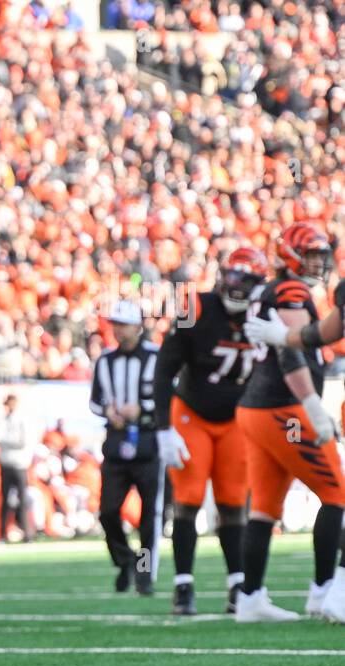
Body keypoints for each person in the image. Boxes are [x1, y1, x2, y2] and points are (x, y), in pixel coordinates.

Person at [236, 223, 345, 622]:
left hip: (257, 408)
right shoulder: (290, 290)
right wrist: (313, 404)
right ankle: (323, 592)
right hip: (283, 408)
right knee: (338, 494)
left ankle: (250, 598)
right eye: (311, 254)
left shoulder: (283, 290)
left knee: (264, 507)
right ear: (290, 255)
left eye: (321, 254)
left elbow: (312, 336)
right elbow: (291, 354)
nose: (318, 261)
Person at [152, 247, 267, 614]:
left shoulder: (267, 314)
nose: (237, 286)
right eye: (233, 276)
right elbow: (163, 368)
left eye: (246, 280)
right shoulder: (193, 306)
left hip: (237, 418)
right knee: (187, 499)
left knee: (234, 504)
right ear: (221, 276)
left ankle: (238, 585)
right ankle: (183, 585)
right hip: (192, 413)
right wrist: (162, 428)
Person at [89, 299, 162, 596]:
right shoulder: (105, 361)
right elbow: (94, 401)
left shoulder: (157, 357)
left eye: (123, 324)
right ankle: (125, 560)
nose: (118, 330)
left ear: (138, 326)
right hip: (116, 443)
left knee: (149, 517)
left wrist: (142, 411)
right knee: (108, 511)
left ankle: (144, 573)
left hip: (148, 440)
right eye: (115, 324)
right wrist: (110, 412)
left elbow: (170, 396)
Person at [0, 394, 34, 542]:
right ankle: (2, 533)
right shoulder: (3, 419)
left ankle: (27, 533)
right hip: (6, 463)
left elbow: (21, 441)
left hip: (19, 463)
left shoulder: (22, 419)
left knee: (22, 499)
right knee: (4, 499)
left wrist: (5, 441)